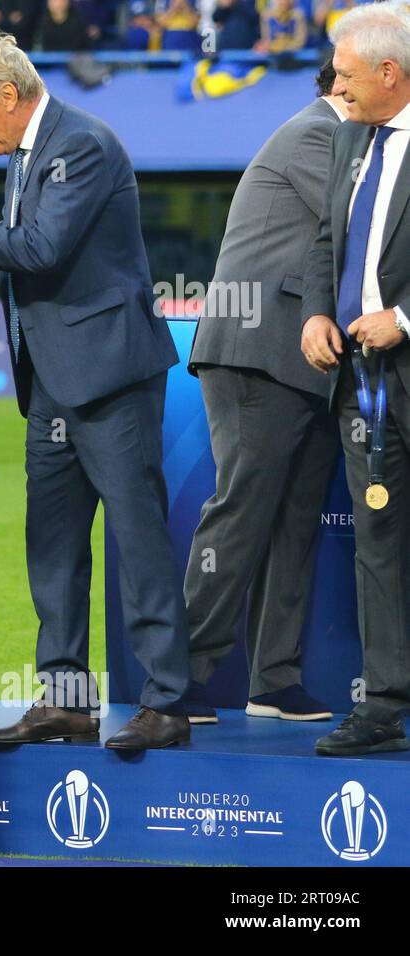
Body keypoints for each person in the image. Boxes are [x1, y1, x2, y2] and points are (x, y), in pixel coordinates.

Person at [0, 30, 192, 750]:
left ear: (10, 94)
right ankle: (66, 698)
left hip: (112, 376)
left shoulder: (79, 144)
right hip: (54, 384)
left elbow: (40, 249)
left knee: (139, 537)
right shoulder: (33, 151)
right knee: (53, 546)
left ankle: (166, 704)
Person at [182, 60, 346, 725]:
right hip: (258, 353)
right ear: (345, 80)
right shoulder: (317, 134)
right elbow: (361, 225)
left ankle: (274, 679)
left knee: (295, 522)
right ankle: (181, 676)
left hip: (307, 361)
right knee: (242, 513)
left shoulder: (334, 136)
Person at [301, 2, 410, 756]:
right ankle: (384, 707)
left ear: (389, 72)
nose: (334, 86)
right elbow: (324, 237)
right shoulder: (349, 141)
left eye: (344, 74)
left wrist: (405, 317)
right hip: (360, 385)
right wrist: (315, 312)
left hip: (402, 354)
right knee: (376, 545)